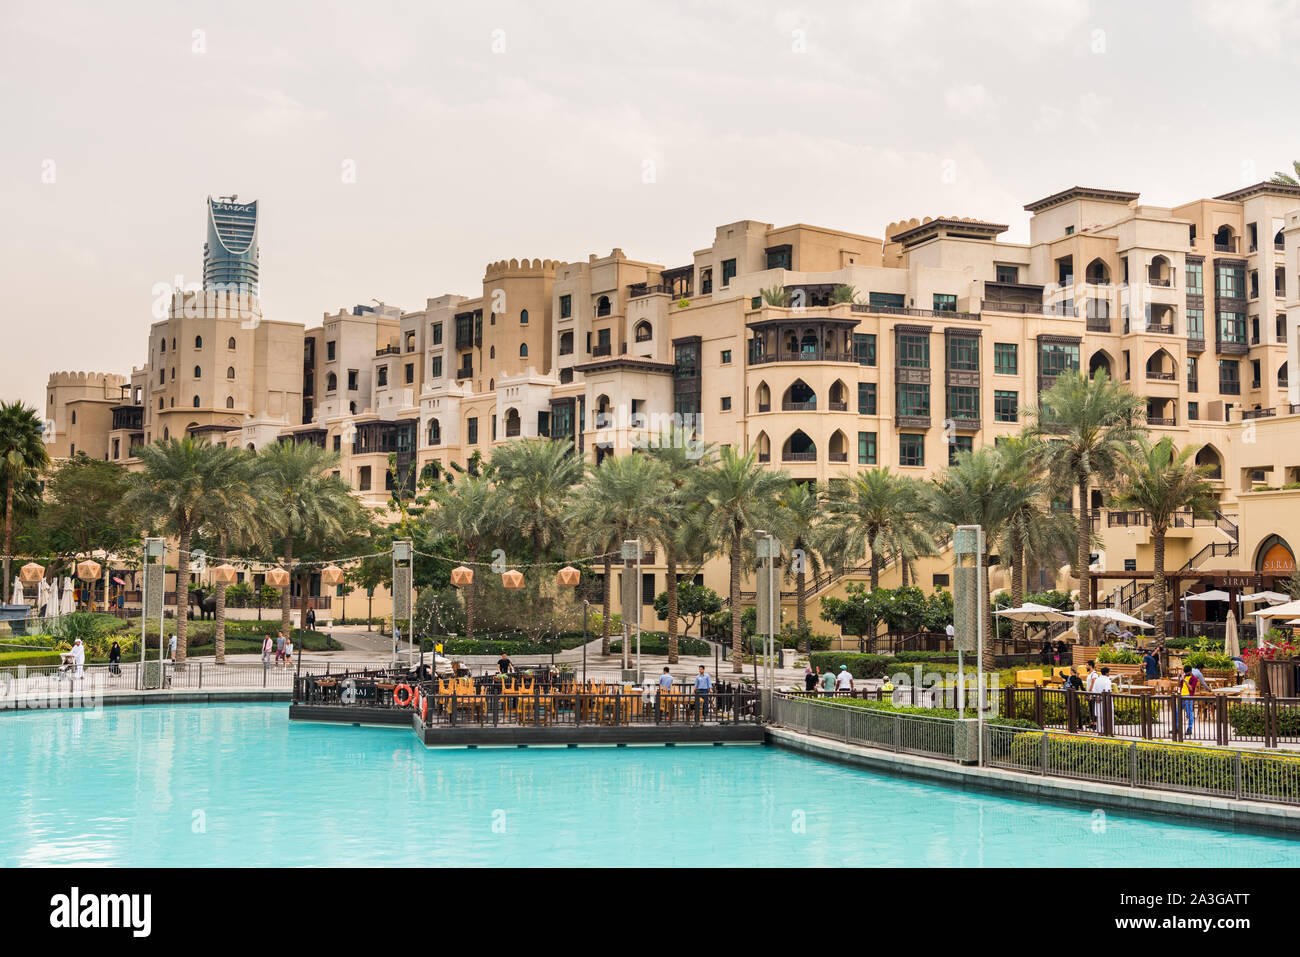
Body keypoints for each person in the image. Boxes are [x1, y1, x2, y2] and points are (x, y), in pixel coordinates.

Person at [1179, 665, 1200, 736]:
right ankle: (1177, 727)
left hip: (1188, 696)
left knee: (1189, 713)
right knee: (1177, 711)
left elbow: (1191, 688)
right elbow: (1180, 685)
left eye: (1187, 673)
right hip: (1181, 695)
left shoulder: (1194, 678)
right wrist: (1180, 679)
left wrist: (1185, 681)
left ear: (1190, 671)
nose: (1185, 674)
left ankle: (1189, 728)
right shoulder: (1184, 676)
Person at [1091, 666, 1113, 730]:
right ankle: (1108, 731)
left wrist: (1097, 697)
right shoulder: (1107, 680)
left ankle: (1100, 731)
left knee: (1100, 717)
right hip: (1106, 701)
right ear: (1107, 673)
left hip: (1098, 700)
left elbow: (1094, 690)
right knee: (1108, 716)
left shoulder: (1097, 680)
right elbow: (1108, 691)